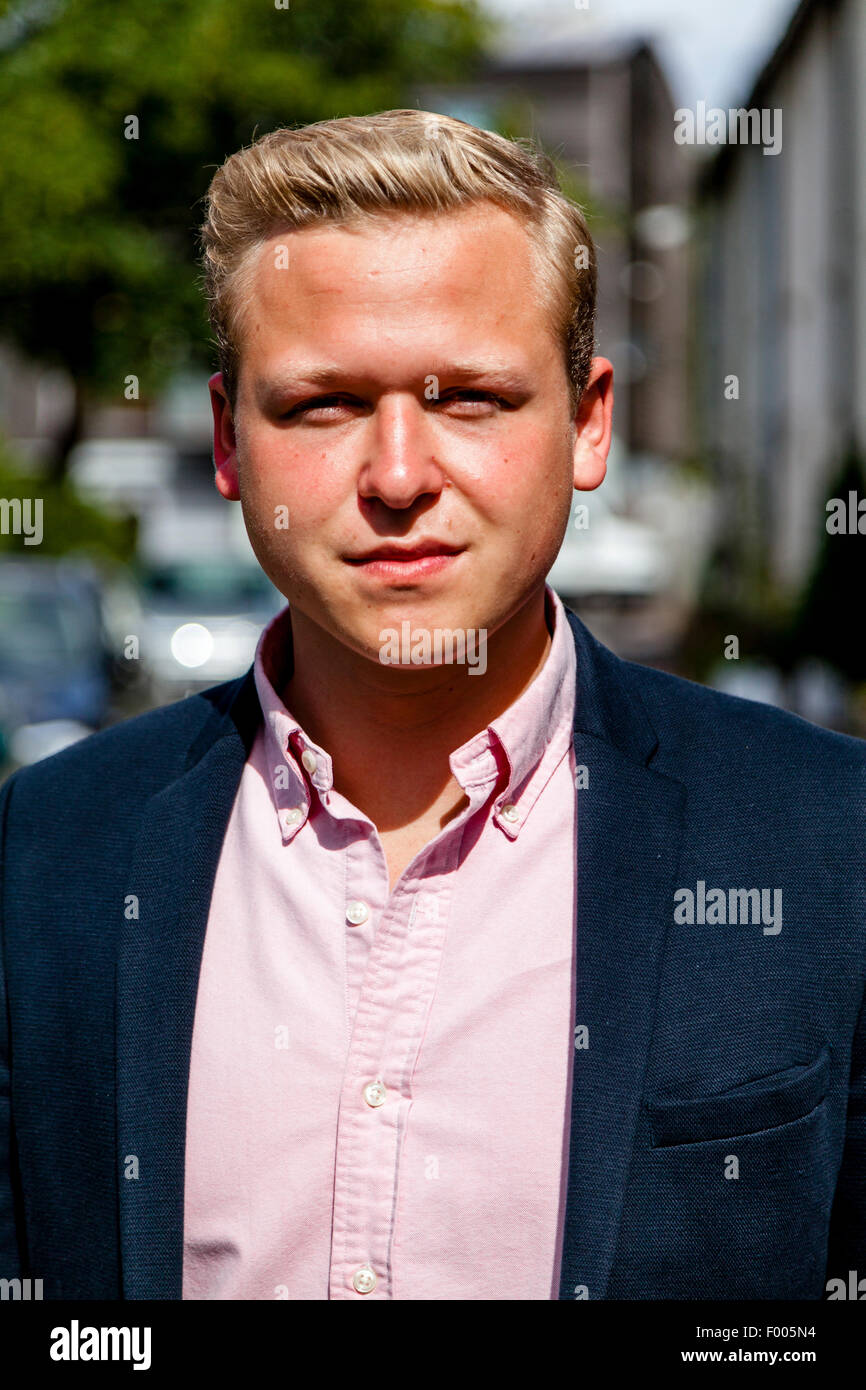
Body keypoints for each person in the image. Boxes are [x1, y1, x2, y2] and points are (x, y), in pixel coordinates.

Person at [0, 110, 863, 1301]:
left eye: (468, 398)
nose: (398, 476)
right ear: (227, 441)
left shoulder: (829, 843)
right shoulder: (45, 857)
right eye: (321, 404)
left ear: (588, 421)